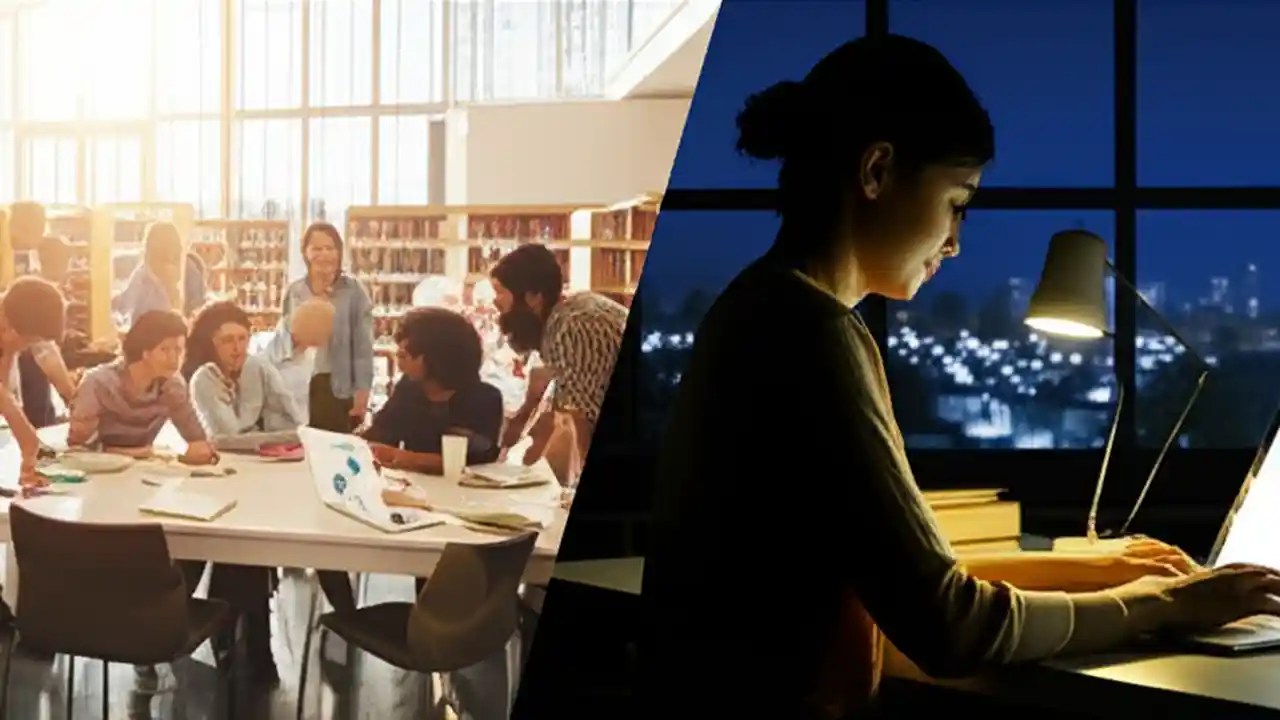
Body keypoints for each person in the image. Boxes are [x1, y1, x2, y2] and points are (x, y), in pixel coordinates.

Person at [640, 35, 1280, 720]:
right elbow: (951, 624)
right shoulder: (812, 335)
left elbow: (909, 575)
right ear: (877, 170)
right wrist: (1160, 606)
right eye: (957, 201)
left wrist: (1097, 568)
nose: (956, 241)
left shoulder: (754, 309)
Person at [316, 307, 504, 614]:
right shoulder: (409, 389)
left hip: (467, 508)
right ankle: (346, 614)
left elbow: (477, 460)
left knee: (441, 578)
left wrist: (405, 458)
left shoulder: (483, 398)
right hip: (414, 503)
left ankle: (437, 630)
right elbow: (382, 433)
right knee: (329, 533)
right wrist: (352, 443)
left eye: (406, 353)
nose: (397, 357)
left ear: (436, 358)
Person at [490, 245, 626, 487]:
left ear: (533, 297)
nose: (495, 302)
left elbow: (580, 419)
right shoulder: (572, 312)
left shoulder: (572, 326)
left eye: (500, 292)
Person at [67, 310, 216, 465]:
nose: (174, 359)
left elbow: (197, 438)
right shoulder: (98, 384)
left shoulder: (172, 385)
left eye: (178, 350)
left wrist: (195, 452)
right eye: (165, 350)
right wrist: (141, 453)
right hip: (97, 475)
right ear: (145, 351)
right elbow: (78, 448)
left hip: (142, 473)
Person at [265, 223, 374, 433]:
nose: (324, 254)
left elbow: (363, 346)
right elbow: (284, 339)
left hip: (338, 386)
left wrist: (362, 391)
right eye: (316, 248)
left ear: (339, 251)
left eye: (330, 248)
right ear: (305, 252)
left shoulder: (353, 291)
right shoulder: (295, 291)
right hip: (299, 385)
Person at [185, 300, 304, 452]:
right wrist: (283, 437)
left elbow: (293, 423)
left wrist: (291, 435)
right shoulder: (204, 377)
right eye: (227, 340)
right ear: (210, 344)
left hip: (263, 457)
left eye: (242, 339)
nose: (237, 348)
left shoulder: (259, 368)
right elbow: (224, 439)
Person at [0, 277, 70, 484]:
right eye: (29, 340)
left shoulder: (17, 326)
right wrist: (29, 443)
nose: (29, 346)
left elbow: (65, 386)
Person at [112, 221, 186, 326]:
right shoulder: (143, 277)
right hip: (156, 334)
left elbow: (125, 305)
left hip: (154, 333)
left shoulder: (143, 275)